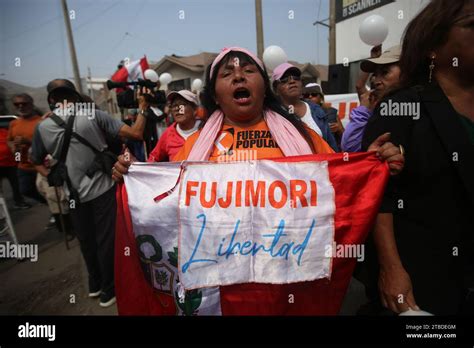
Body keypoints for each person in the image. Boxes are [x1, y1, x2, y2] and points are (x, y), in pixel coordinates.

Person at [112, 47, 405, 315]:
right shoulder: (196, 148)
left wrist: (374, 165)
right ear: (214, 95)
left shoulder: (302, 136)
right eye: (227, 74)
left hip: (288, 281)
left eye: (249, 71)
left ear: (265, 87)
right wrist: (131, 178)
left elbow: (340, 186)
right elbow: (166, 204)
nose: (239, 75)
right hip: (224, 290)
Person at [362, 0, 474, 315]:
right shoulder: (400, 107)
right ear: (432, 46)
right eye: (472, 24)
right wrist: (391, 269)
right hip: (426, 284)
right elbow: (378, 197)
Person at [30, 78, 149, 308]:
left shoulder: (42, 127)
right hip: (102, 189)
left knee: (86, 241)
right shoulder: (93, 114)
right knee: (107, 240)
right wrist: (143, 106)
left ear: (52, 99)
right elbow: (136, 134)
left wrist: (51, 175)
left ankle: (94, 285)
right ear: (75, 95)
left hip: (72, 193)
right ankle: (108, 291)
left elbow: (35, 160)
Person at [342, 45, 401, 153]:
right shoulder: (374, 103)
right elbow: (350, 148)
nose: (376, 81)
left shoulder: (414, 107)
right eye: (375, 75)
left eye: (385, 73)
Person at [272, 63, 339, 151]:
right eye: (284, 79)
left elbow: (331, 148)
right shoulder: (270, 116)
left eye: (296, 78)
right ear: (276, 89)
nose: (292, 81)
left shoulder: (317, 111)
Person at [8, 94, 46, 204]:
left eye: (24, 103)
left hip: (40, 165)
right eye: (17, 104)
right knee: (25, 190)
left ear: (31, 104)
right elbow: (9, 140)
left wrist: (28, 141)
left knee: (47, 191)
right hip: (23, 165)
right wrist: (13, 146)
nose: (21, 106)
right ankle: (49, 204)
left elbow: (48, 144)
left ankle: (57, 211)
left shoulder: (41, 122)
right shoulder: (13, 123)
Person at [147, 90, 201, 162]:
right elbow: (153, 158)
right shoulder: (168, 134)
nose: (177, 109)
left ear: (194, 109)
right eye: (174, 106)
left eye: (182, 104)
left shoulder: (207, 130)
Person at [0, 117, 30, 209]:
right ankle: (2, 209)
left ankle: (19, 202)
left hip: (11, 165)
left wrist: (18, 160)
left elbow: (16, 147)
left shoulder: (5, 132)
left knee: (16, 185)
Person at [303, 83, 344, 148]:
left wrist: (339, 129)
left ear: (321, 98)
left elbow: (344, 139)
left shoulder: (331, 113)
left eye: (314, 94)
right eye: (306, 95)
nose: (310, 97)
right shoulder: (300, 114)